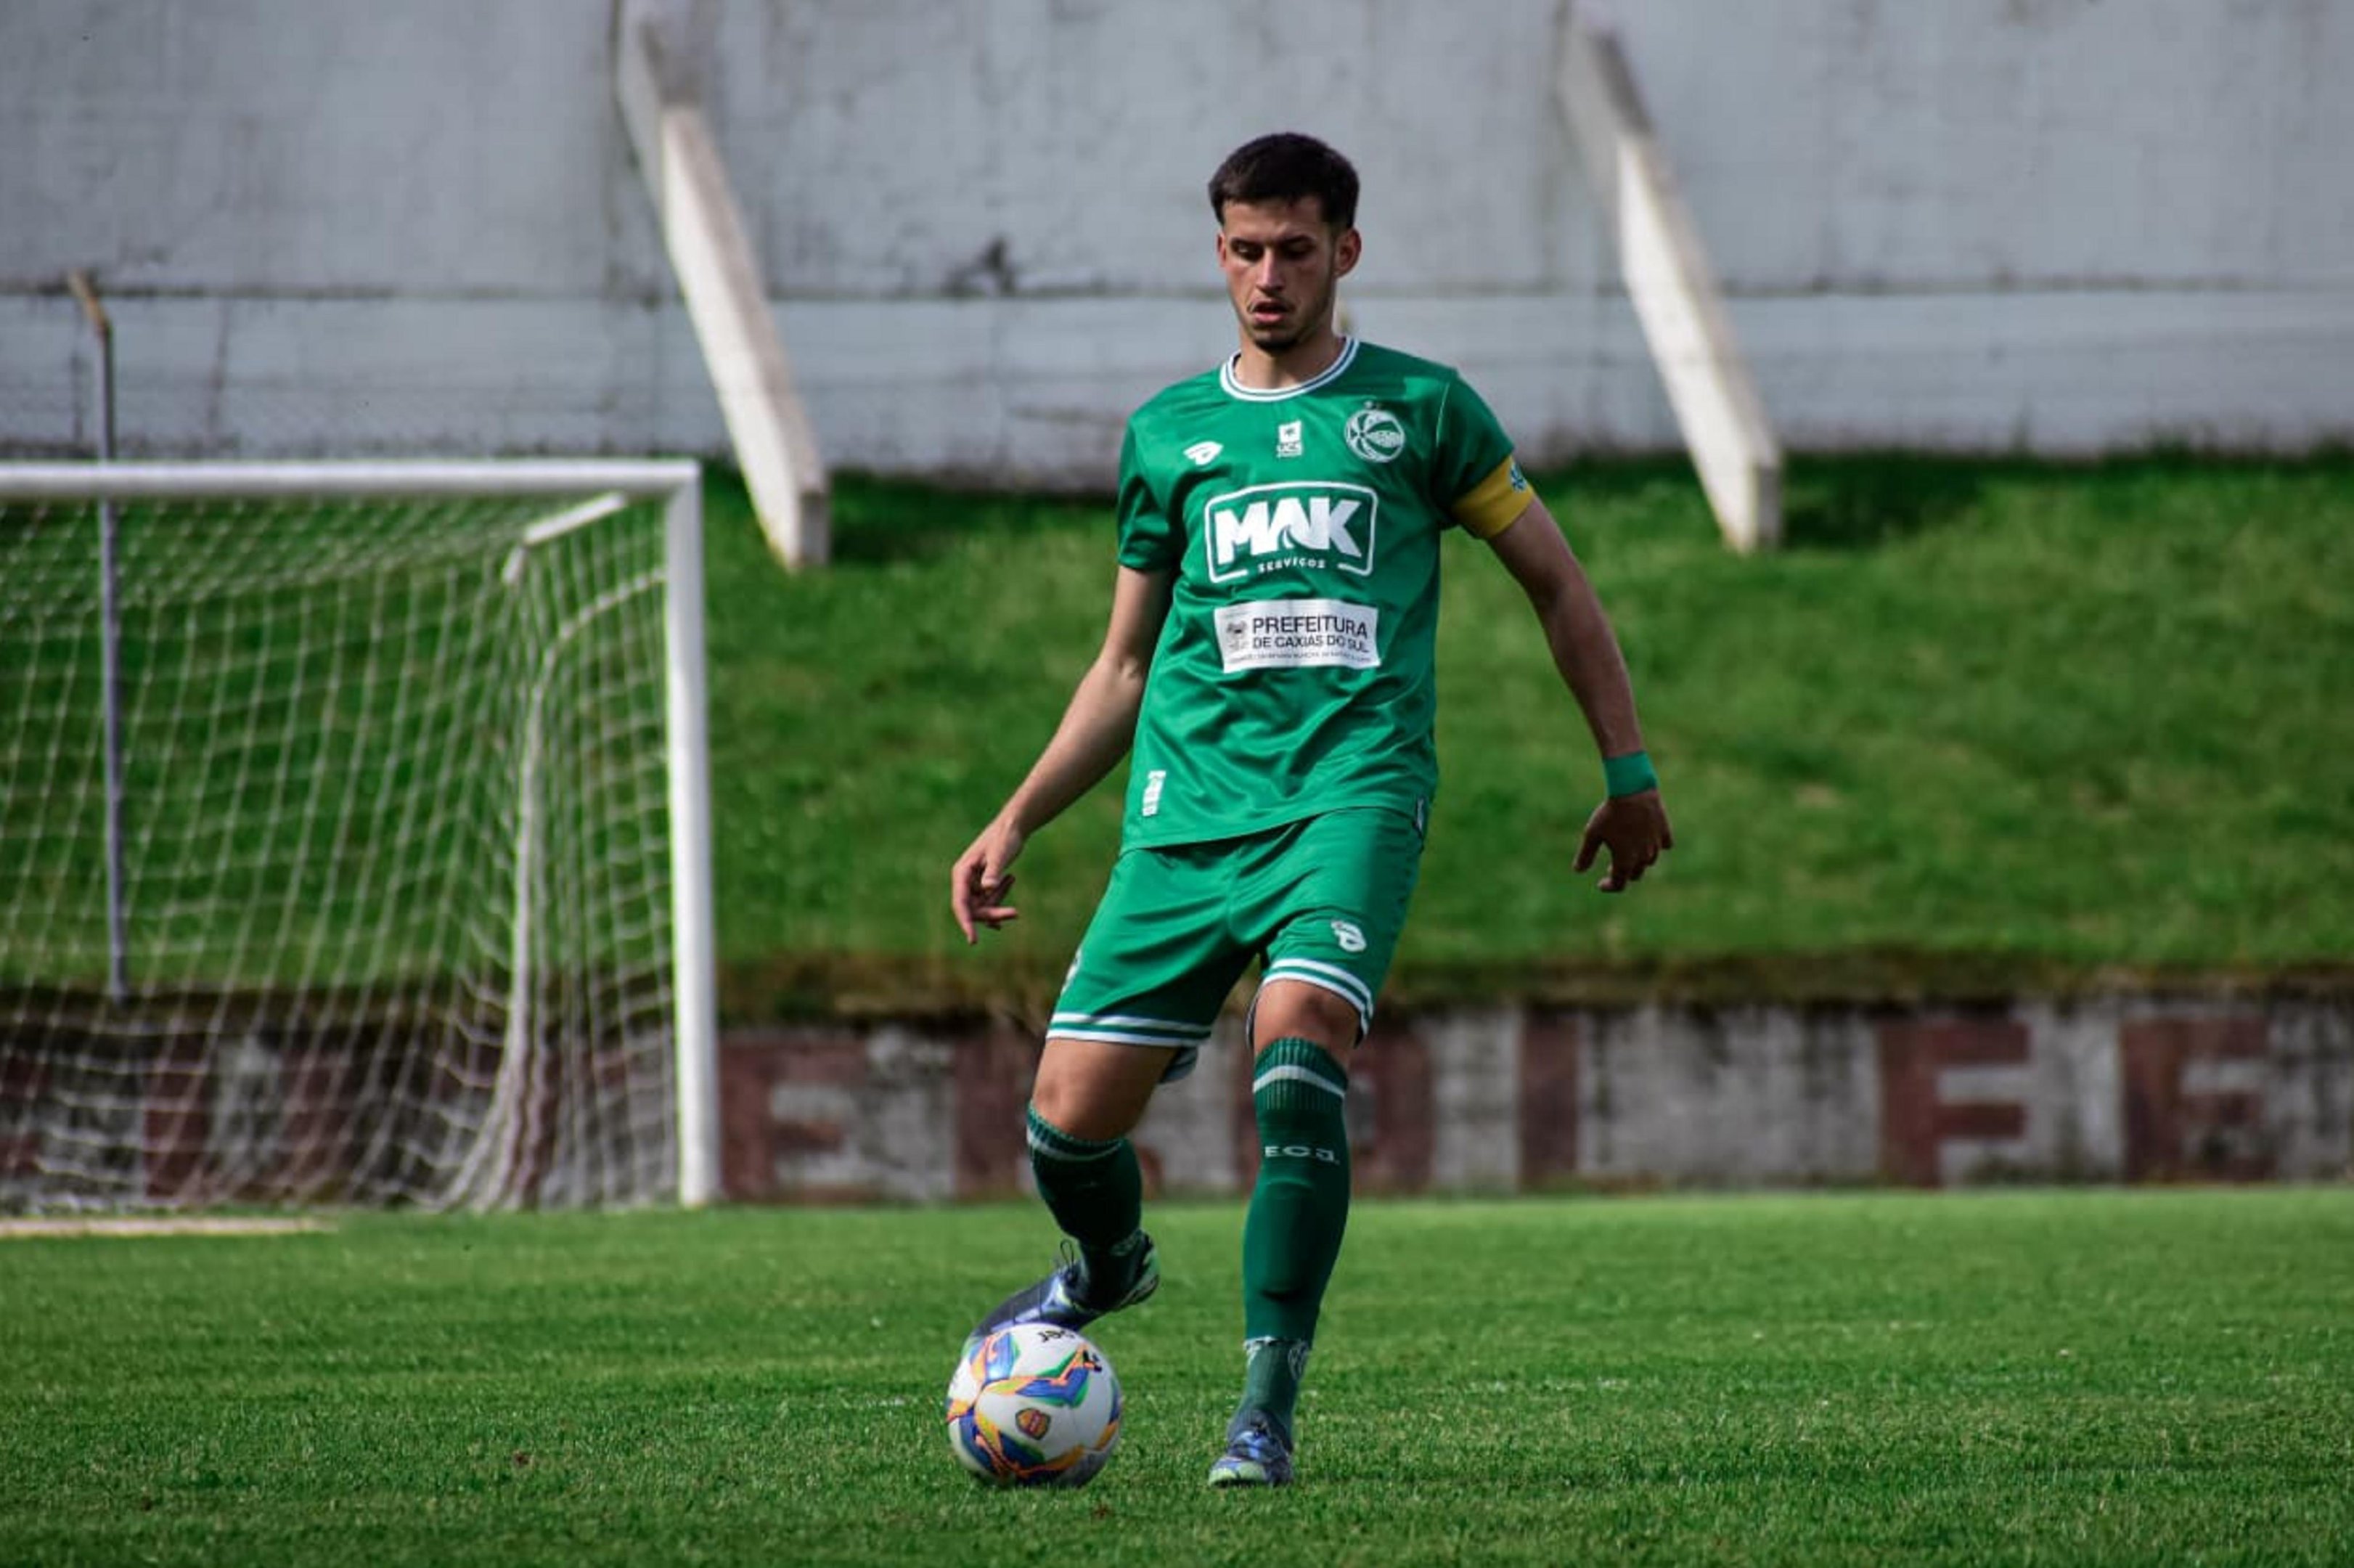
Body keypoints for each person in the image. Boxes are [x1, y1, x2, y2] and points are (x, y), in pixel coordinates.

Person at [949, 131, 1671, 1489]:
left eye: (1293, 249)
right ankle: (1110, 1265)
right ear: (1216, 252)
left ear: (1346, 250)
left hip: (1352, 794)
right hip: (1186, 819)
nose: (1266, 276)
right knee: (1064, 1129)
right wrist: (1018, 818)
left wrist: (1627, 769)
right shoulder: (1171, 435)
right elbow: (1120, 665)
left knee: (1298, 1053)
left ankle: (1264, 1409)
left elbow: (1561, 589)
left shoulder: (1424, 410)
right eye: (1242, 249)